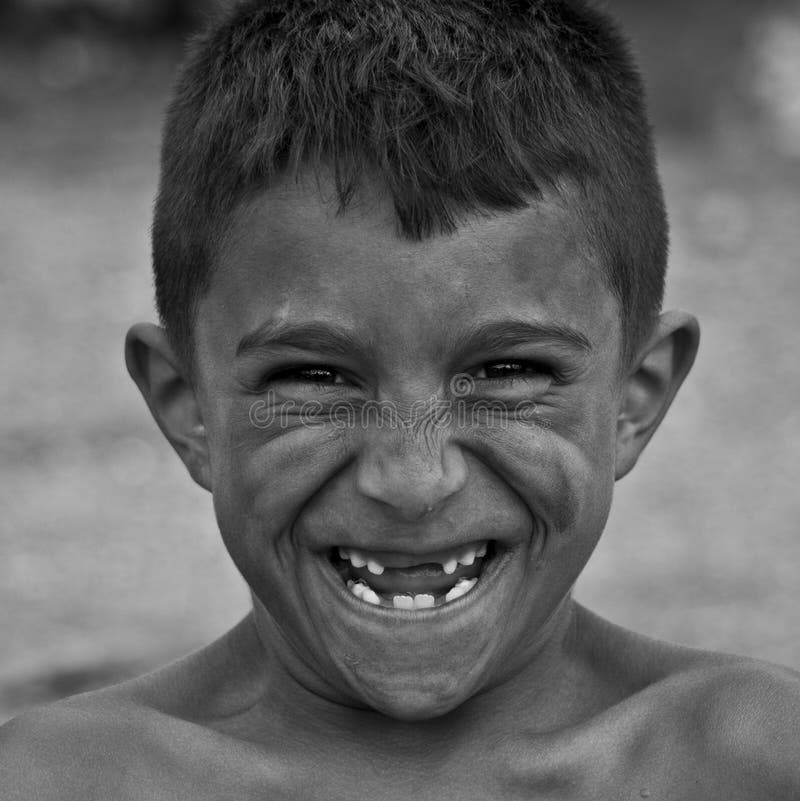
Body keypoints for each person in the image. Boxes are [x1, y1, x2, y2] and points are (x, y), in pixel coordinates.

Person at [2, 1, 799, 798]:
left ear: (636, 396)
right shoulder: (63, 780)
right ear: (187, 406)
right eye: (314, 378)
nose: (414, 484)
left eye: (508, 371)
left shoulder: (750, 761)